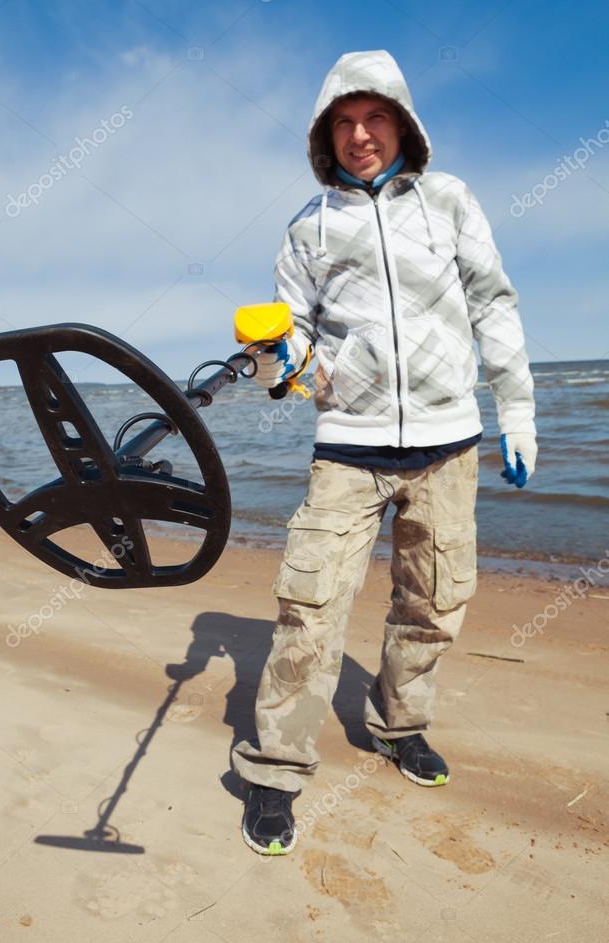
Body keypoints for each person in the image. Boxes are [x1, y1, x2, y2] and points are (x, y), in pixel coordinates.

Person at [231, 49, 537, 856]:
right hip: (348, 447)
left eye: (374, 118)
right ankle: (274, 768)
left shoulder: (450, 201)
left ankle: (400, 725)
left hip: (449, 443)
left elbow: (494, 303)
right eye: (344, 121)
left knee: (432, 602)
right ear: (324, 134)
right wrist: (272, 362)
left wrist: (518, 408)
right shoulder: (309, 226)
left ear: (402, 122)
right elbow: (290, 346)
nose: (360, 134)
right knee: (310, 606)